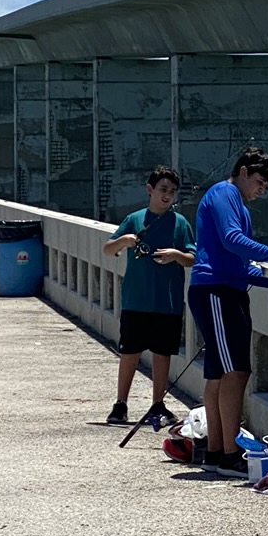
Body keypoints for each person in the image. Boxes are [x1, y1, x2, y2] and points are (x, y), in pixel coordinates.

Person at [187, 146, 268, 471]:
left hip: (224, 289)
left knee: (217, 375)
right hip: (217, 291)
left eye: (265, 186)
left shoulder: (238, 205)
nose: (260, 190)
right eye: (258, 182)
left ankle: (214, 453)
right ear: (241, 171)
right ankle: (228, 454)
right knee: (235, 372)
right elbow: (231, 240)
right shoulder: (223, 193)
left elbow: (241, 265)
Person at [102, 167, 196, 432]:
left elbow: (193, 258)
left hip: (167, 302)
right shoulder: (134, 219)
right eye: (163, 189)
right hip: (136, 299)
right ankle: (120, 403)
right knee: (129, 351)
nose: (167, 195)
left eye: (172, 191)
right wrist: (124, 240)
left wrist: (176, 255)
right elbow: (108, 249)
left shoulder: (180, 223)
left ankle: (158, 403)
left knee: (162, 353)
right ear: (150, 189)